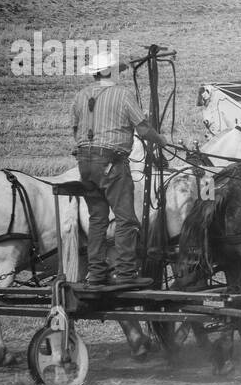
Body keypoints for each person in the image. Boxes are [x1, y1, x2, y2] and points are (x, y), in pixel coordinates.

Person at [70, 50, 172, 289]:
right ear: (108, 71)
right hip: (111, 163)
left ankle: (96, 273)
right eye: (116, 70)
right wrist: (161, 140)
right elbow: (144, 130)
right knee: (126, 219)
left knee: (97, 218)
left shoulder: (80, 96)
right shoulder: (123, 95)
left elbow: (75, 130)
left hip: (85, 163)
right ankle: (125, 272)